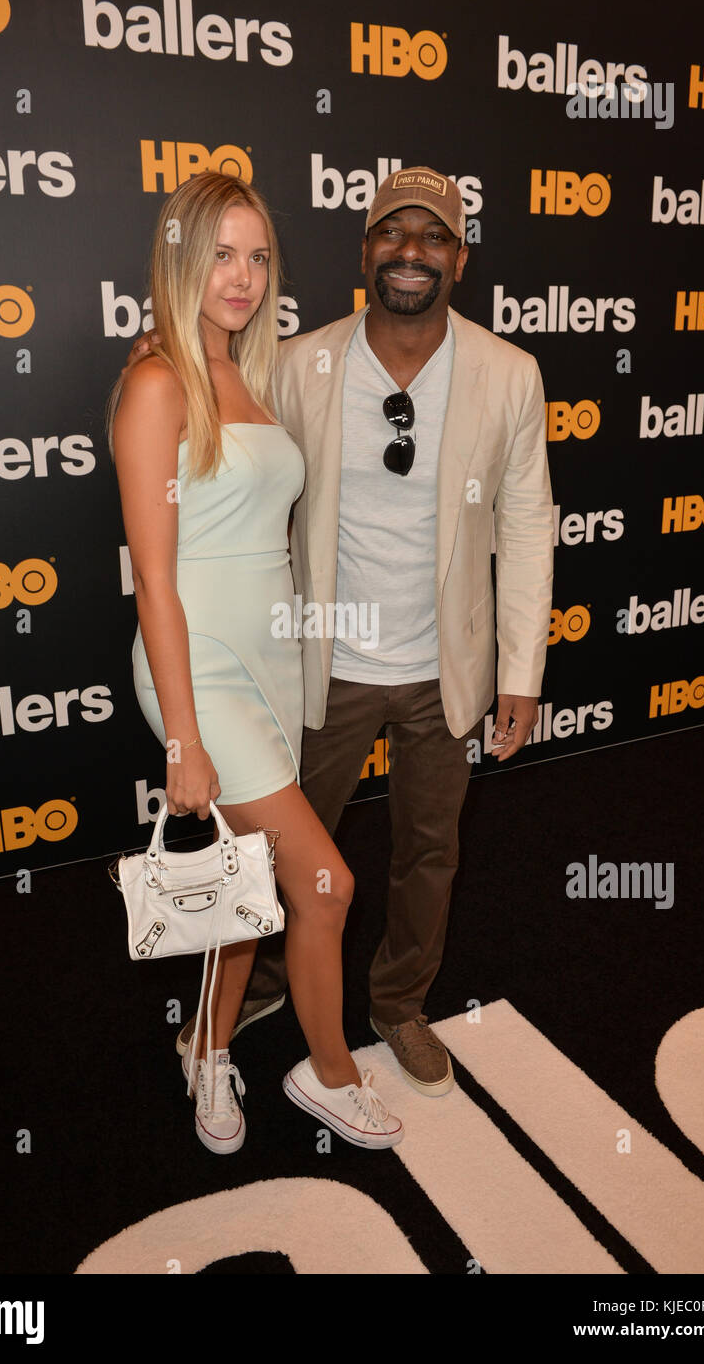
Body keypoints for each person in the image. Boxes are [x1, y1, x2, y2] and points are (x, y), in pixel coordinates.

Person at [128, 165, 554, 1101]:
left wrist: (519, 671)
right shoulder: (295, 360)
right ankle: (265, 990)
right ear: (362, 251)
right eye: (391, 235)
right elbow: (199, 399)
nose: (410, 253)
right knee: (288, 856)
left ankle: (398, 1002)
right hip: (314, 662)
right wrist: (164, 346)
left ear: (460, 256)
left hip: (447, 669)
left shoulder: (508, 374)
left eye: (432, 236)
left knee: (428, 850)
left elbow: (526, 524)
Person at [109, 170, 402, 1155]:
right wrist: (183, 737)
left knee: (255, 878)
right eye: (221, 253)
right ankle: (330, 1073)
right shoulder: (157, 384)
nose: (241, 275)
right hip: (203, 669)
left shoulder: (249, 374)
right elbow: (154, 581)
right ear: (181, 259)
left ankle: (205, 1044)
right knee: (325, 883)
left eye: (258, 255)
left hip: (272, 660)